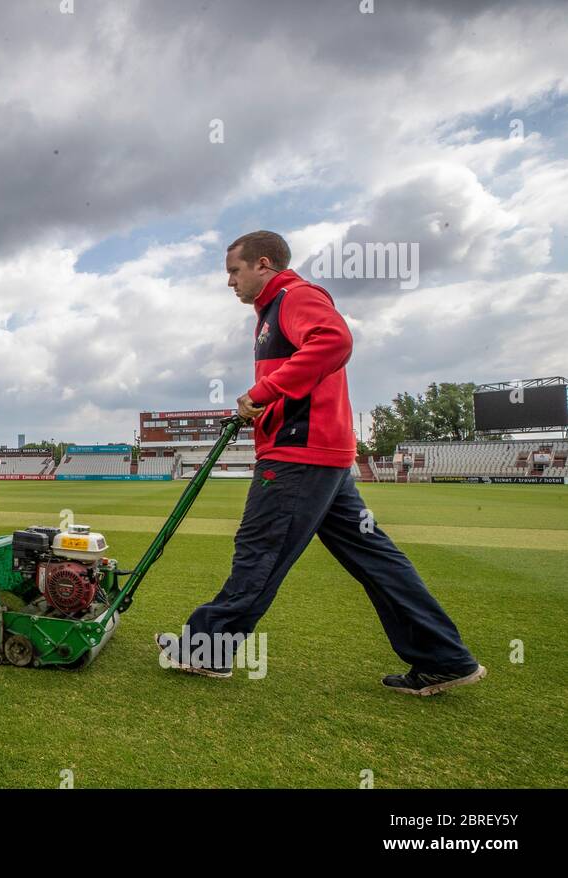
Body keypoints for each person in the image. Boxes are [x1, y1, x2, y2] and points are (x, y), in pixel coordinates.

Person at [155, 230, 485, 696]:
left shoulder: (294, 296)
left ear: (263, 264)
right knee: (375, 558)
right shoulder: (271, 311)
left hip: (300, 456)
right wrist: (267, 406)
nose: (229, 281)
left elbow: (334, 340)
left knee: (260, 550)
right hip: (320, 456)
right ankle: (444, 658)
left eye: (234, 270)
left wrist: (262, 394)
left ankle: (206, 649)